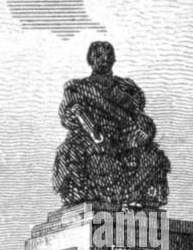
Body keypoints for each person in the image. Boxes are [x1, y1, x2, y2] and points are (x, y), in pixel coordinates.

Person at [52, 41, 170, 209]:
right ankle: (82, 198)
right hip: (91, 138)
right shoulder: (78, 88)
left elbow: (141, 118)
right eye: (99, 55)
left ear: (114, 59)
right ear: (90, 60)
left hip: (124, 139)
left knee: (153, 154)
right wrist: (90, 128)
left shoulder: (126, 89)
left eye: (108, 55)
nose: (104, 59)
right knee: (70, 150)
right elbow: (68, 115)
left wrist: (144, 133)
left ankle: (141, 199)